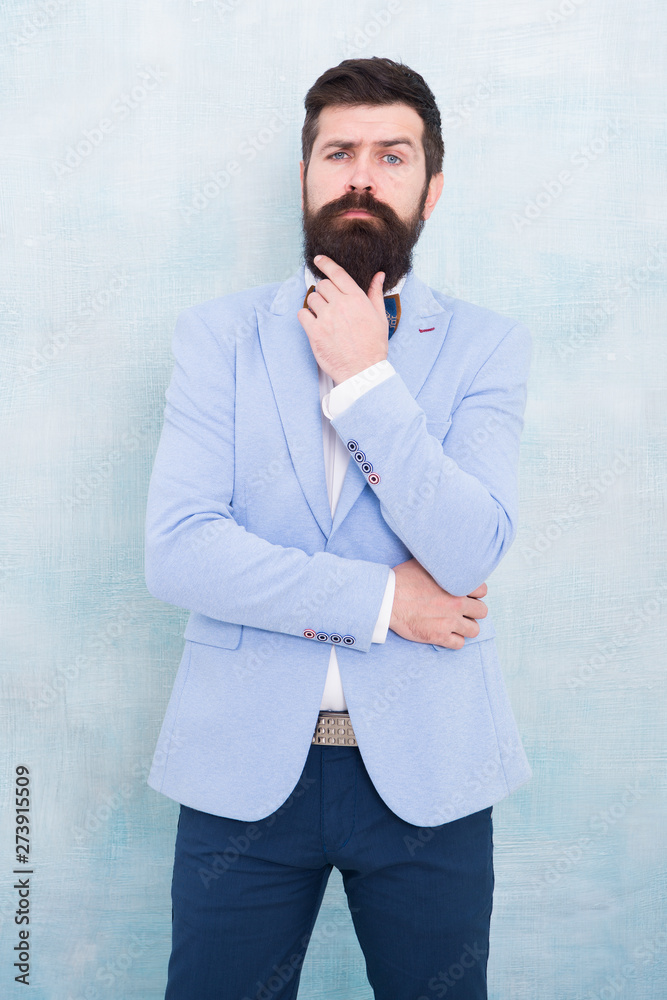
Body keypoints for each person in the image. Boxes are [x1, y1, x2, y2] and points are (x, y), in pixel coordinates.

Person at [144, 56, 532, 1000]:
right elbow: (181, 550)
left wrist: (364, 379)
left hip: (430, 773)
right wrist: (383, 601)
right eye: (338, 153)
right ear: (305, 176)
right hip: (240, 772)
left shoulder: (486, 346)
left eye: (391, 156)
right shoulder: (217, 339)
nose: (362, 176)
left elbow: (469, 548)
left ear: (431, 189)